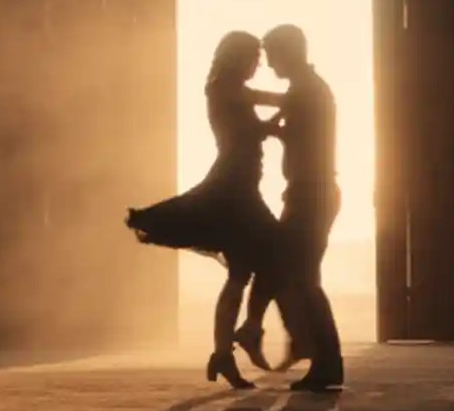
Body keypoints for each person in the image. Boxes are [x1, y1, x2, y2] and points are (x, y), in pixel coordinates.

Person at [126, 31, 286, 389]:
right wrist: (281, 117)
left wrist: (280, 113)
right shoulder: (224, 87)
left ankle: (226, 351)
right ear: (236, 58)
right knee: (269, 257)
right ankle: (242, 336)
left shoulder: (226, 88)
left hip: (241, 186)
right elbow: (250, 124)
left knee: (243, 272)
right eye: (252, 58)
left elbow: (260, 107)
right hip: (233, 189)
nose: (256, 65)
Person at [248, 24, 344, 392]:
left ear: (289, 52)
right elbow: (279, 107)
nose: (270, 63)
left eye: (272, 55)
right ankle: (308, 346)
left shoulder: (307, 91)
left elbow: (291, 125)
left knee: (302, 277)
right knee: (294, 271)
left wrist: (264, 129)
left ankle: (326, 360)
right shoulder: (305, 88)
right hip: (308, 191)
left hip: (311, 193)